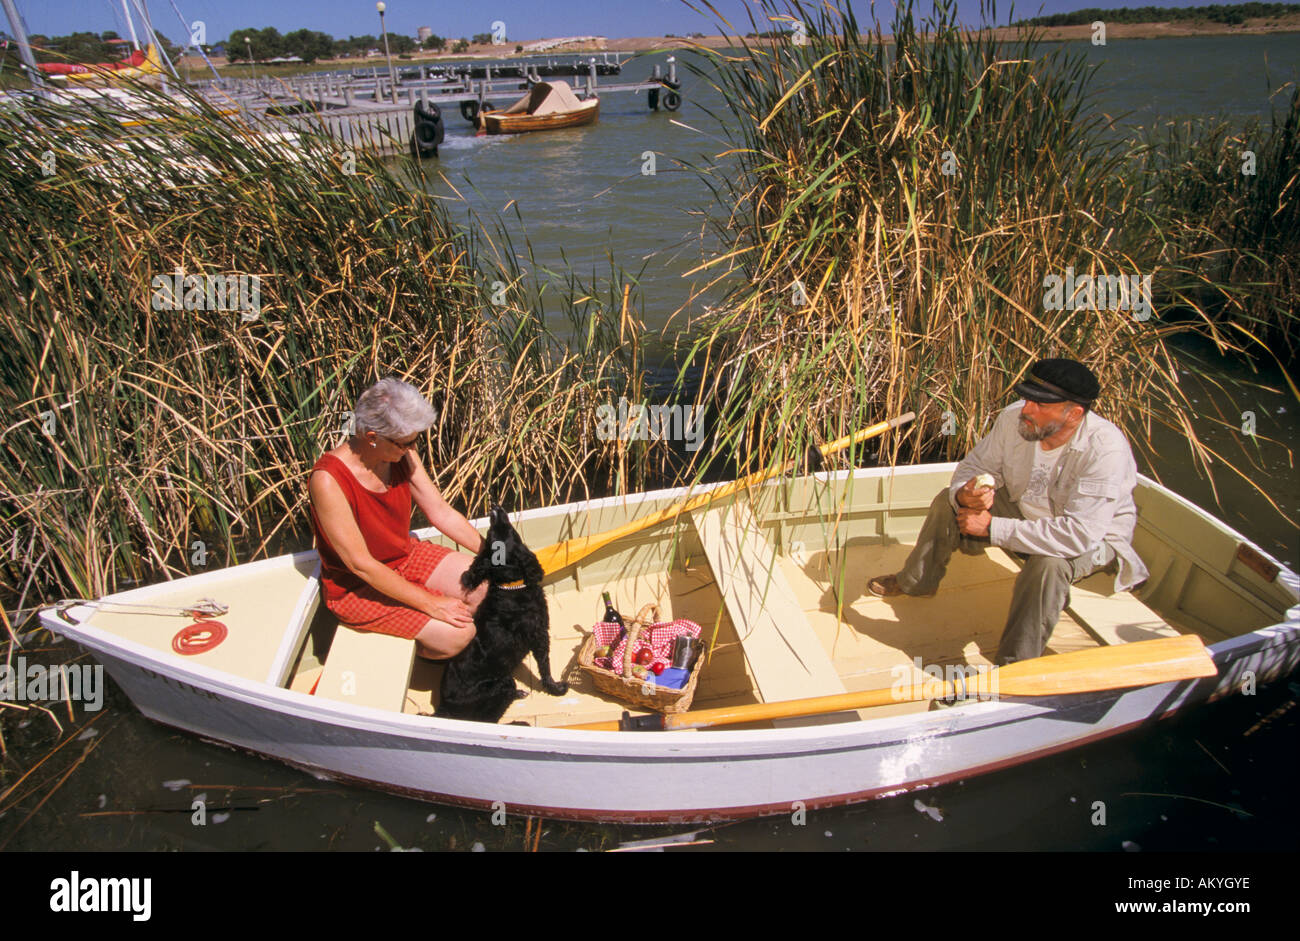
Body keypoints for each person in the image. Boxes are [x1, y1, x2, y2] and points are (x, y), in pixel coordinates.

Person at [867, 358, 1149, 665]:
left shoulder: (1105, 449)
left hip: (1094, 539)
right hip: (1025, 511)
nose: (1028, 409)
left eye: (1042, 405)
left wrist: (990, 528)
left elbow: (1079, 535)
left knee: (1049, 564)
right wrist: (968, 492)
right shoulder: (1015, 417)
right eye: (1028, 398)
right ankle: (916, 581)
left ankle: (1015, 664)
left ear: (1075, 413)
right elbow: (977, 466)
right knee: (946, 503)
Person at [308, 378, 487, 660]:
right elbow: (361, 565)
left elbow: (440, 511)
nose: (413, 447)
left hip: (405, 556)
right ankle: (396, 649)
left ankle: (419, 626)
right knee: (458, 634)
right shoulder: (328, 480)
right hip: (356, 586)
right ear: (372, 437)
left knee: (490, 585)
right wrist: (432, 603)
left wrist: (499, 555)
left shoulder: (402, 453)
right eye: (407, 442)